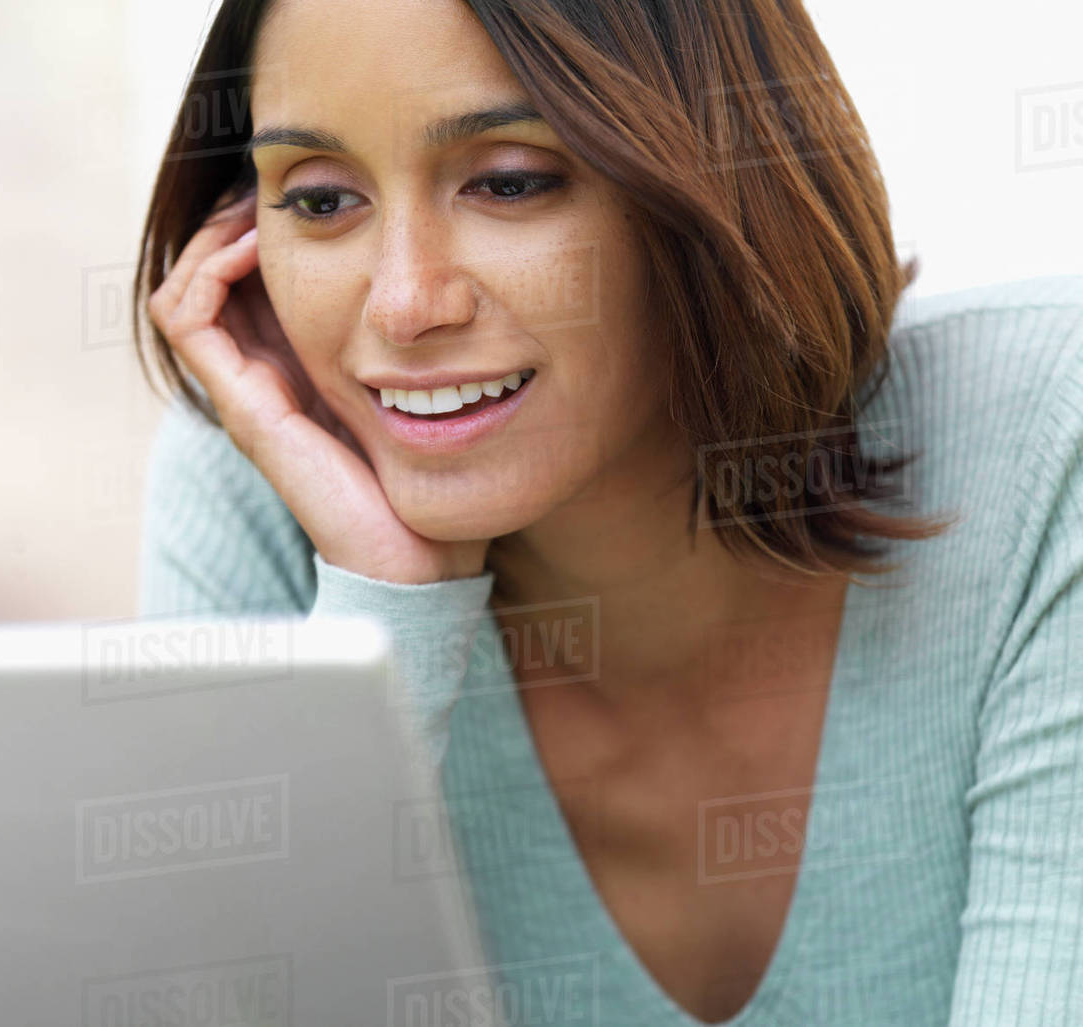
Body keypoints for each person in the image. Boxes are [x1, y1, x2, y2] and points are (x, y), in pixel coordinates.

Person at [134, 0, 1083, 1022]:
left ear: (720, 178)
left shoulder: (1044, 443)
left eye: (508, 183)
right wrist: (384, 625)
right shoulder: (266, 481)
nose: (406, 305)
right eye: (320, 201)